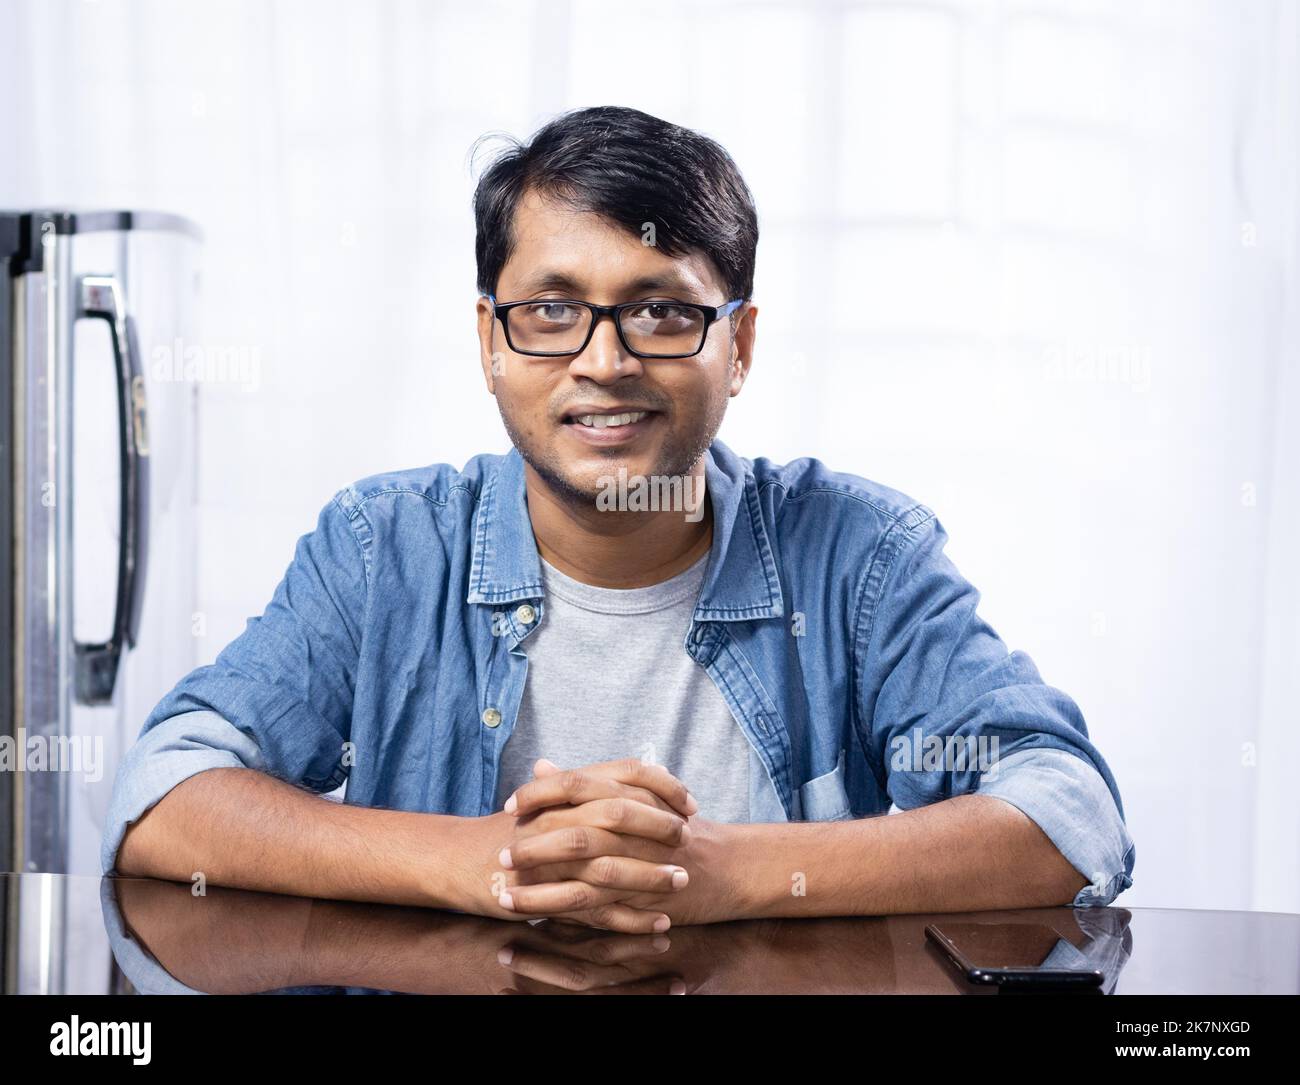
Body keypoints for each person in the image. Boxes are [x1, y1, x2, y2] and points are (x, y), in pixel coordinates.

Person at [104, 105, 1135, 933]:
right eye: (550, 311)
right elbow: (166, 790)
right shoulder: (385, 546)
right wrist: (483, 859)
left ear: (739, 344)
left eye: (661, 310)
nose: (604, 360)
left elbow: (1066, 812)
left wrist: (727, 871)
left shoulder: (857, 554)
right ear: (489, 340)